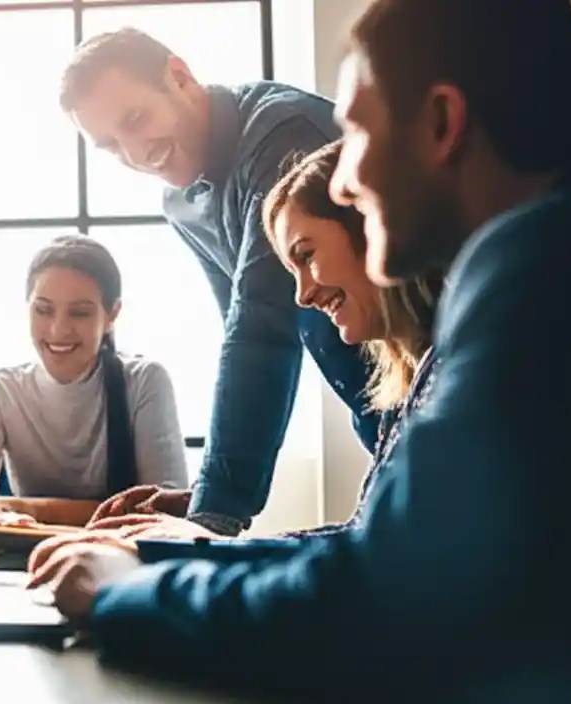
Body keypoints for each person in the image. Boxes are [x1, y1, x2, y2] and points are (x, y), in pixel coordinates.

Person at [29, 0, 571, 704]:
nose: (344, 182)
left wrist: (142, 581)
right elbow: (381, 553)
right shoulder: (547, 255)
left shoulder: (530, 272)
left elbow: (373, 600)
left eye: (353, 133)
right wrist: (171, 550)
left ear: (443, 124)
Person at [31, 141, 441, 556]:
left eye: (306, 254)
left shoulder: (451, 377)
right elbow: (363, 543)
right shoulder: (413, 389)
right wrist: (195, 534)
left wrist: (201, 544)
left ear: (371, 229)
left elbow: (369, 563)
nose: (301, 296)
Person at [61, 28, 378, 536]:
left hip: (446, 376)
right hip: (378, 413)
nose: (137, 154)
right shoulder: (181, 204)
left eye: (136, 120)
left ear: (180, 77)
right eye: (111, 147)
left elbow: (262, 327)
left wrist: (216, 514)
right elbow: (238, 329)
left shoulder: (284, 134)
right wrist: (202, 501)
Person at [0, 235, 189, 527]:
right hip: (24, 554)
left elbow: (165, 510)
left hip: (121, 556)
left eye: (80, 313)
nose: (58, 330)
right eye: (43, 310)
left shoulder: (144, 381)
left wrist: (24, 508)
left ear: (112, 314)